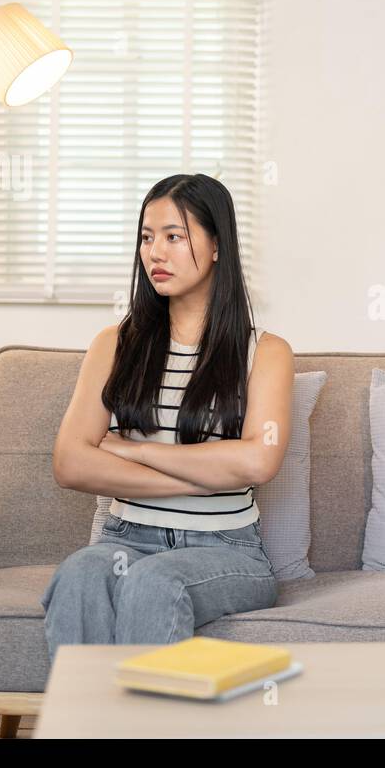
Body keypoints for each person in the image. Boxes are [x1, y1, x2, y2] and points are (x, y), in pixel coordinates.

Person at [41, 173, 293, 666]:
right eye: (147, 237)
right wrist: (206, 474)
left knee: (155, 582)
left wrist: (130, 447)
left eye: (174, 237)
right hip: (125, 538)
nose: (156, 252)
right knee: (79, 573)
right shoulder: (114, 344)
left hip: (226, 551)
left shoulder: (266, 353)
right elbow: (70, 463)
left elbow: (258, 462)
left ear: (216, 245)